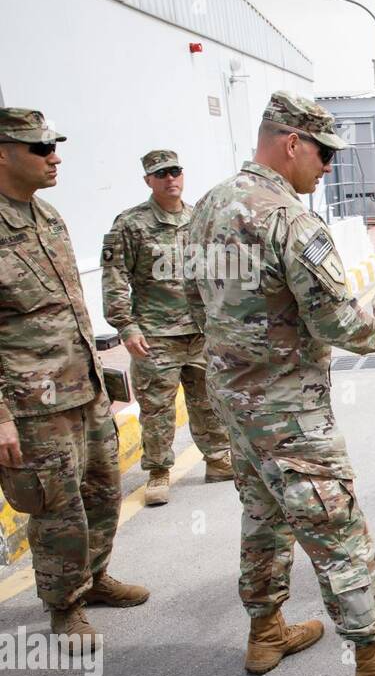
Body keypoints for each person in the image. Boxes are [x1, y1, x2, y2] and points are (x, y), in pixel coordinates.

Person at [188, 91, 375, 676]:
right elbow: (335, 321)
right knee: (336, 522)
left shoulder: (208, 205)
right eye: (323, 153)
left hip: (232, 396)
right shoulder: (289, 219)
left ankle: (266, 630)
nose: (328, 167)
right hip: (286, 407)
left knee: (264, 515)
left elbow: (190, 300)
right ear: (291, 144)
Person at [0, 108, 150, 647]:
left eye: (53, 146)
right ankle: (63, 605)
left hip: (83, 389)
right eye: (40, 148)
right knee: (55, 508)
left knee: (103, 492)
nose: (55, 156)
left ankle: (96, 577)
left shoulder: (48, 217)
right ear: (2, 152)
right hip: (32, 406)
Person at [101, 148, 231, 506]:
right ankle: (159, 471)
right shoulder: (130, 224)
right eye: (161, 174)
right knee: (157, 408)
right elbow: (115, 278)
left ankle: (218, 458)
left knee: (208, 399)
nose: (170, 178)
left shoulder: (198, 219)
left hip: (200, 330)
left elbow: (218, 272)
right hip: (155, 335)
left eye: (175, 171)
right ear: (148, 181)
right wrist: (126, 326)